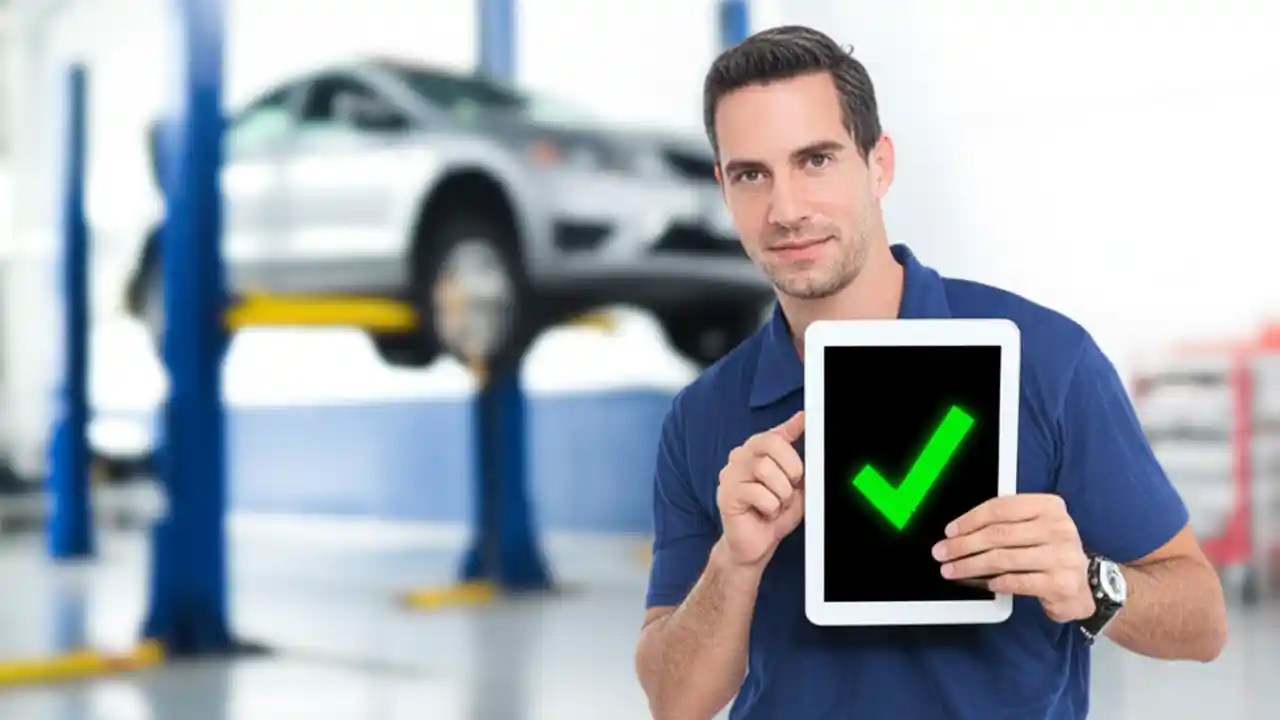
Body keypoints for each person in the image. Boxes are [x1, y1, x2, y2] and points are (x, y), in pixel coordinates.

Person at [633, 24, 1229, 720]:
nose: (787, 209)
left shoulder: (1046, 360)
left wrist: (1093, 586)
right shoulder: (704, 415)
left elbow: (1203, 619)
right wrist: (734, 565)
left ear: (878, 164)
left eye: (816, 160)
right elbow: (675, 702)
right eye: (751, 175)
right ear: (723, 189)